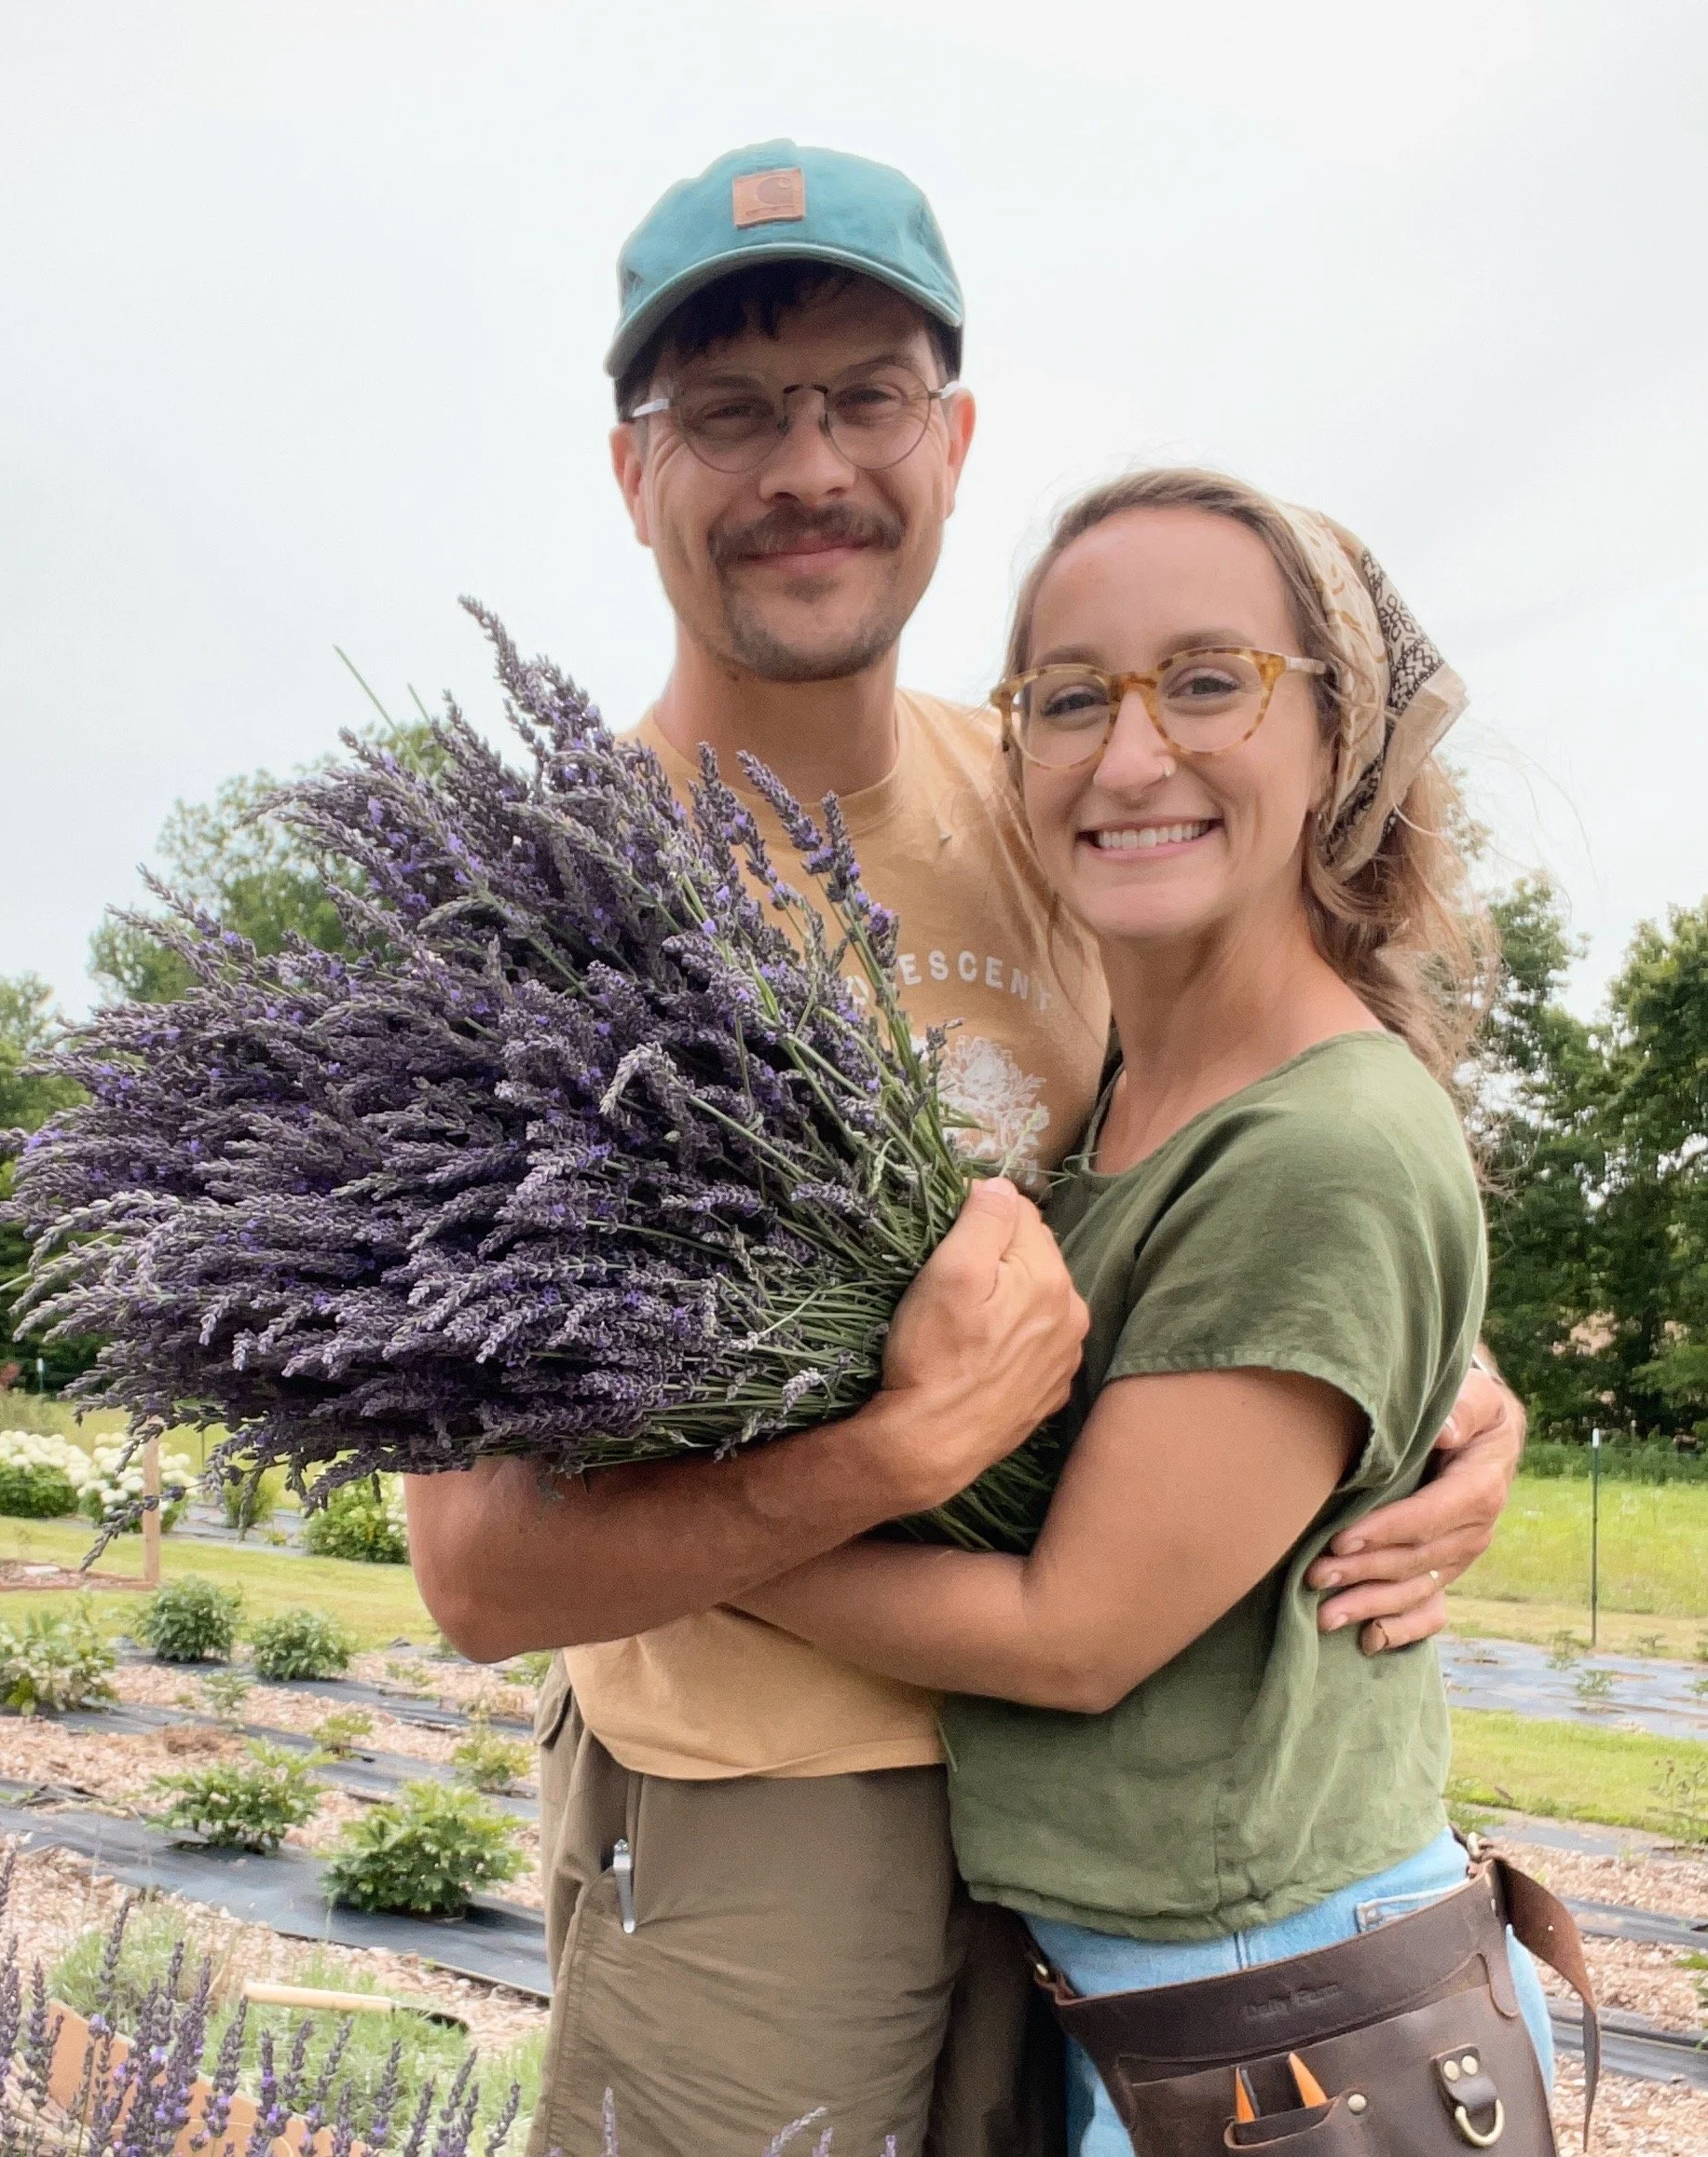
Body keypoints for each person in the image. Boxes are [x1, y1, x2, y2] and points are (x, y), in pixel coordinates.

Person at [404, 142, 1526, 2157]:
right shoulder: (536, 913)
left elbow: (1245, 1147)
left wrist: (1430, 1375)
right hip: (765, 1816)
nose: (807, 465)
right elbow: (479, 1572)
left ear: (955, 438)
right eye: (729, 412)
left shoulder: (1057, 784)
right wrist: (888, 1457)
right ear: (632, 472)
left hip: (1116, 1833)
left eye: (866, 396)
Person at [732, 469, 1556, 2156]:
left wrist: (677, 1547)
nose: (1129, 754)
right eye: (1069, 697)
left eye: (1206, 680)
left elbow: (1075, 1633)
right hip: (1179, 1999)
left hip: (1285, 2025)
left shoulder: (1321, 1138)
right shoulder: (1133, 1085)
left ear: (1335, 737)